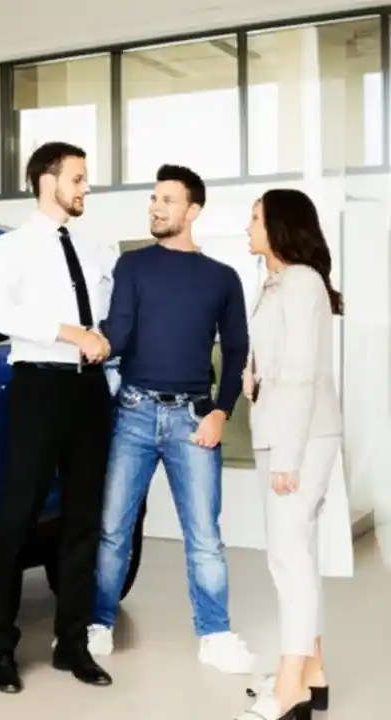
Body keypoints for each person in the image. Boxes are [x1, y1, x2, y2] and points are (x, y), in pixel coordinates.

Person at [90, 164, 257, 675]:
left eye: (167, 200)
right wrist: (81, 338)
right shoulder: (132, 267)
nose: (156, 207)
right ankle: (98, 621)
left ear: (193, 210)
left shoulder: (222, 279)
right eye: (153, 199)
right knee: (114, 529)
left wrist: (221, 413)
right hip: (134, 414)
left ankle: (215, 633)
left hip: (193, 421)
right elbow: (117, 332)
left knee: (204, 535)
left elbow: (236, 350)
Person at [0, 141, 115, 694]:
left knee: (84, 521)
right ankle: (0, 650)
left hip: (90, 392)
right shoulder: (11, 247)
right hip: (39, 385)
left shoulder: (96, 246)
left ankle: (73, 645)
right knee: (17, 521)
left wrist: (104, 339)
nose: (86, 189)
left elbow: (108, 315)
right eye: (78, 179)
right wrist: (69, 332)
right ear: (46, 180)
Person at [237, 188, 346, 720]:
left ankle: (290, 688)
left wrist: (287, 457)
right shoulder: (277, 283)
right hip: (282, 430)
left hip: (298, 439)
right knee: (297, 552)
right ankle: (312, 671)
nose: (247, 226)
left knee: (288, 558)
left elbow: (303, 374)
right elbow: (284, 362)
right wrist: (255, 378)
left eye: (255, 217)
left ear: (279, 224)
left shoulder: (301, 283)